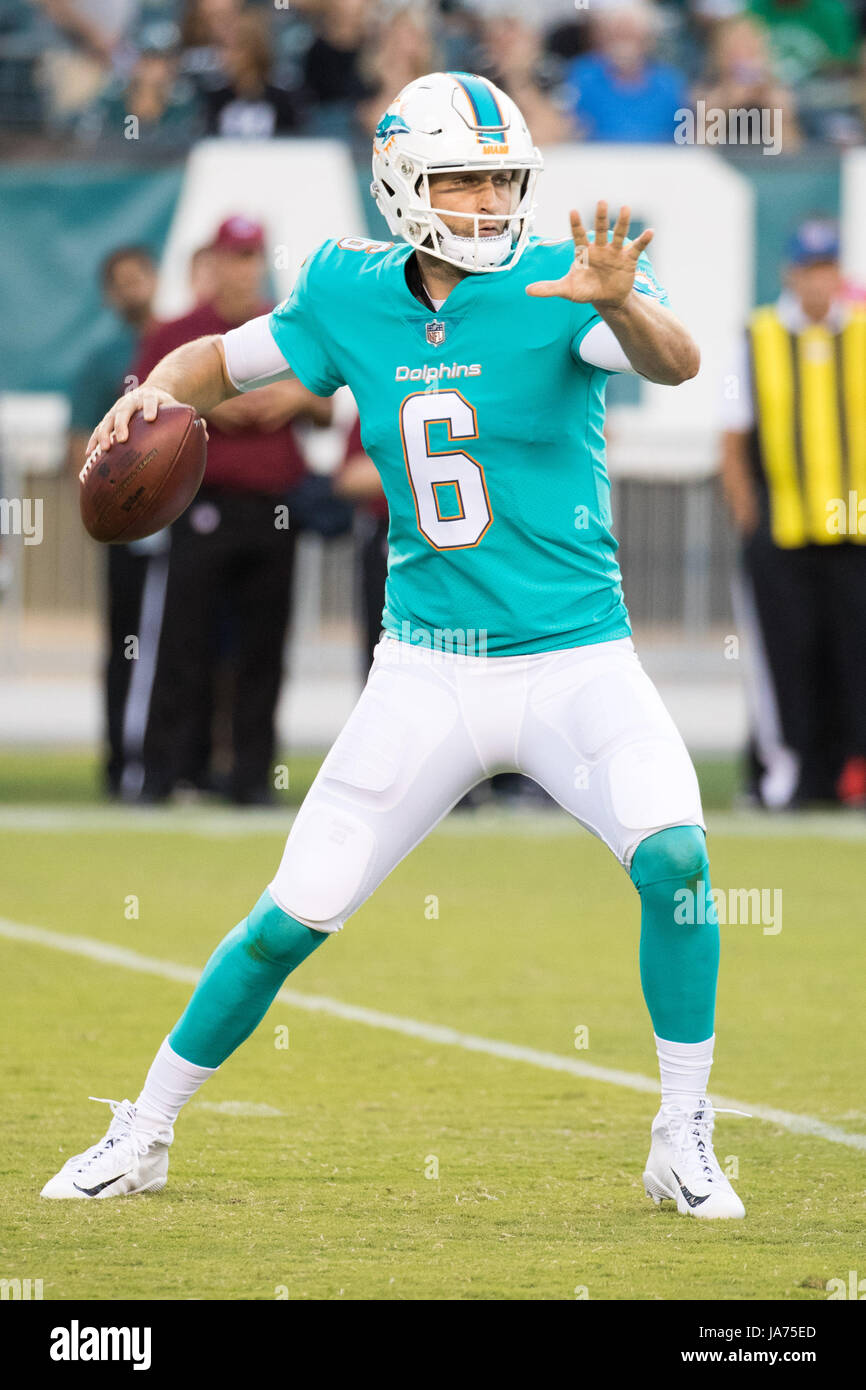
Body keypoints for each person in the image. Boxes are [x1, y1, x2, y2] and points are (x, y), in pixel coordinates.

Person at [43, 71, 745, 1222]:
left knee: (676, 863)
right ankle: (145, 1128)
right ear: (400, 188)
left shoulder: (567, 277)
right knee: (287, 918)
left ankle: (681, 1132)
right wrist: (144, 393)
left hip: (577, 658)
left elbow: (671, 363)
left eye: (499, 179)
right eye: (460, 180)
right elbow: (214, 364)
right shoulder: (343, 288)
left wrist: (619, 303)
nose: (484, 203)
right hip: (427, 669)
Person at [124, 215, 330, 805]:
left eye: (249, 257)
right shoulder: (183, 331)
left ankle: (251, 777)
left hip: (274, 509)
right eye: (231, 257)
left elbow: (326, 404)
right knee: (182, 643)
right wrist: (211, 406)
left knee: (263, 648)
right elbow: (147, 404)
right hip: (201, 506)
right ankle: (166, 772)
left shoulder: (282, 324)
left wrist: (289, 396)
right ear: (210, 261)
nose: (240, 269)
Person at [720, 219, 866, 809]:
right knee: (787, 657)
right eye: (809, 269)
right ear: (790, 273)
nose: (818, 281)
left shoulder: (858, 334)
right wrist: (751, 520)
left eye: (827, 268)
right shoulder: (755, 337)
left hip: (854, 533)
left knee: (852, 656)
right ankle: (787, 777)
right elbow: (731, 440)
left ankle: (845, 772)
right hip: (782, 534)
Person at [68, 245, 158, 798]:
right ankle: (121, 761)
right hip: (130, 526)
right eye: (119, 282)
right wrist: (126, 479)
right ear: (108, 294)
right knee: (126, 642)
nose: (131, 289)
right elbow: (78, 447)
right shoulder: (103, 358)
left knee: (185, 648)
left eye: (137, 277)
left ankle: (178, 759)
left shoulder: (180, 344)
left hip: (190, 520)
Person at [563, 2, 690, 143]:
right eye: (618, 34)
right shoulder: (581, 76)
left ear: (649, 41)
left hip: (661, 161)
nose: (624, 44)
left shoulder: (670, 82)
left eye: (631, 35)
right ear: (603, 38)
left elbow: (688, 136)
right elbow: (562, 125)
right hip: (594, 160)